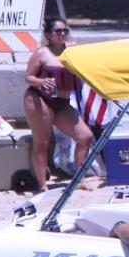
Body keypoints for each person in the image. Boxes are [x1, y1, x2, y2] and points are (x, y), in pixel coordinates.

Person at [23, 17, 94, 191]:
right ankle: (42, 185)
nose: (62, 34)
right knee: (42, 143)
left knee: (85, 137)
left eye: (65, 31)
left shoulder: (72, 50)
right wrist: (41, 82)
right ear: (48, 35)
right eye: (58, 31)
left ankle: (79, 179)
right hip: (39, 99)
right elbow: (28, 77)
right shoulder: (42, 53)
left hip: (62, 102)